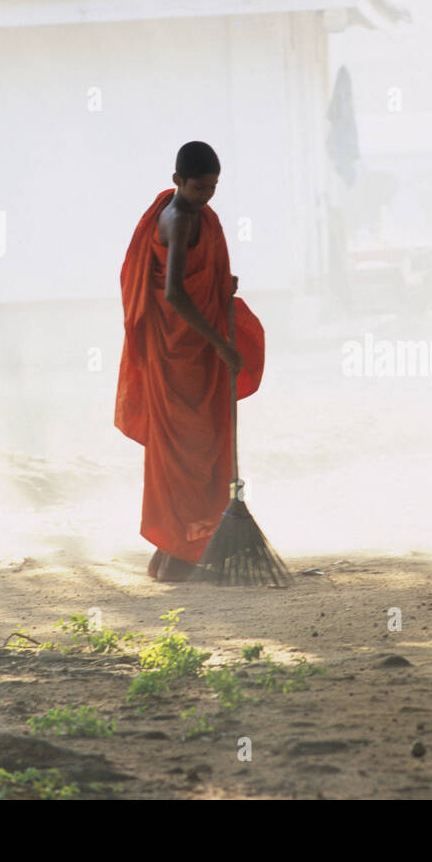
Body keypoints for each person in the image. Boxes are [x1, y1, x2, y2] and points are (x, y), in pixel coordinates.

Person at [115, 141, 264, 582]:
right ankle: (179, 555)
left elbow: (193, 278)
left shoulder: (201, 216)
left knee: (196, 447)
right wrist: (220, 343)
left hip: (192, 346)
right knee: (189, 451)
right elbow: (175, 293)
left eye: (214, 187)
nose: (207, 196)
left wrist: (220, 280)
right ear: (177, 180)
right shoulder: (178, 218)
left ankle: (169, 554)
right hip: (179, 352)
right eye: (200, 187)